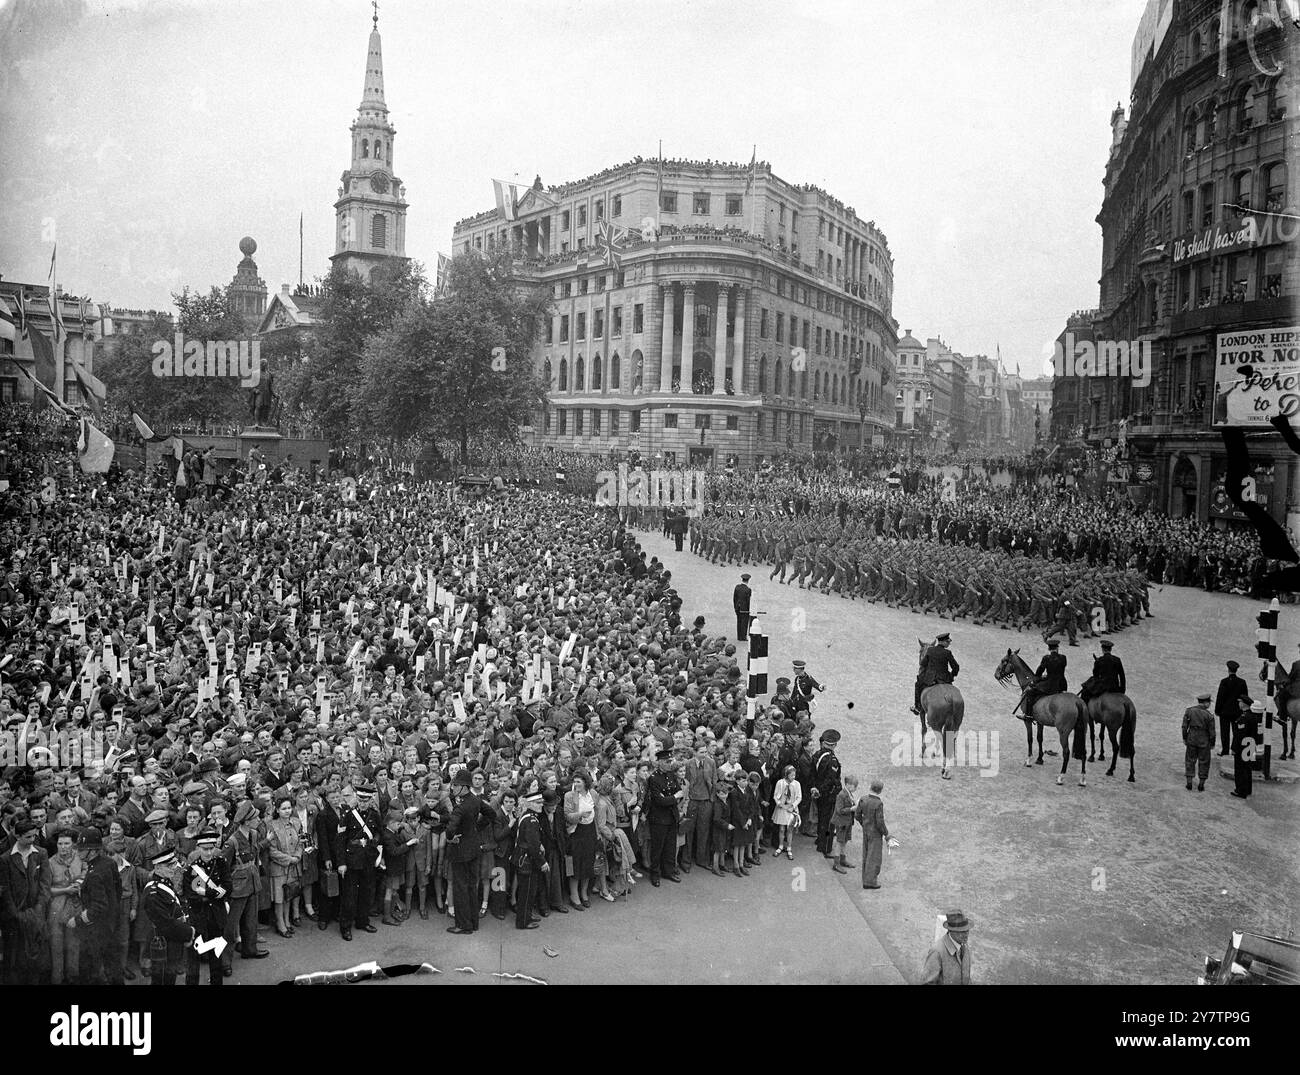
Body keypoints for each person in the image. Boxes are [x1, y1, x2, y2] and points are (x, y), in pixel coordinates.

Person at [444, 769, 495, 934]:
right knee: (472, 886)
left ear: (464, 787)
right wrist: (476, 828)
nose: (452, 788)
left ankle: (463, 925)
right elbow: (491, 815)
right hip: (474, 848)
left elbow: (450, 830)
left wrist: (452, 838)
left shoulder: (460, 807)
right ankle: (473, 922)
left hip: (460, 852)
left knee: (460, 887)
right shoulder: (475, 801)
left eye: (455, 785)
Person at [1, 817, 51, 984]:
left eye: (34, 836)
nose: (32, 840)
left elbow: (45, 885)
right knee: (15, 957)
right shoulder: (5, 859)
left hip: (36, 914)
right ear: (17, 836)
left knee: (36, 957)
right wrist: (16, 914)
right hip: (15, 917)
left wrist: (39, 909)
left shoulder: (41, 854)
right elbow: (5, 890)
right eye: (28, 837)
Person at [71, 826, 122, 986]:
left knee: (88, 969)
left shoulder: (94, 874)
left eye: (81, 850)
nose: (78, 853)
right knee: (113, 964)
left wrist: (78, 920)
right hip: (111, 923)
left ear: (92, 851)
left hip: (96, 928)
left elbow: (99, 906)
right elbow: (117, 890)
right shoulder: (108, 863)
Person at [140, 847, 195, 986]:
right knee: (162, 979)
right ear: (157, 867)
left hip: (172, 941)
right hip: (162, 944)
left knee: (170, 978)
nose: (174, 868)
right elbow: (165, 923)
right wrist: (188, 932)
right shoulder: (153, 892)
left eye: (174, 863)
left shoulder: (165, 883)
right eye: (169, 865)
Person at [182, 830, 229, 985]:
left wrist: (206, 892)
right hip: (198, 916)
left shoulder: (221, 863)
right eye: (205, 849)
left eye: (211, 848)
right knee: (194, 956)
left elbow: (228, 888)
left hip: (217, 915)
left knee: (217, 954)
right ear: (198, 848)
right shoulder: (192, 869)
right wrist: (215, 893)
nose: (208, 852)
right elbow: (191, 895)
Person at [338, 782, 382, 941]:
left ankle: (363, 921)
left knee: (366, 892)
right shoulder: (348, 816)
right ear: (357, 799)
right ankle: (345, 926)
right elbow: (340, 841)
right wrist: (341, 863)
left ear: (371, 800)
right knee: (349, 895)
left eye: (366, 800)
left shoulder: (375, 815)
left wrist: (375, 842)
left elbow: (379, 833)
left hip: (368, 859)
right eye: (361, 800)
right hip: (351, 860)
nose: (363, 803)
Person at [645, 754, 684, 886]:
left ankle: (668, 871)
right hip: (659, 818)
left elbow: (680, 792)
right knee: (657, 848)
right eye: (667, 761)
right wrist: (673, 797)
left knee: (670, 847)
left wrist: (669, 798)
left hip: (671, 816)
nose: (669, 764)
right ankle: (655, 874)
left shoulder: (671, 775)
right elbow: (659, 800)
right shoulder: (653, 778)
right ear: (660, 762)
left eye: (670, 761)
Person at [513, 786, 547, 928]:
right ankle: (523, 921)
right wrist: (542, 862)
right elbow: (532, 845)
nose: (541, 805)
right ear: (531, 804)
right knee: (526, 893)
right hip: (527, 860)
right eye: (538, 803)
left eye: (541, 803)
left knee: (528, 891)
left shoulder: (529, 817)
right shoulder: (531, 820)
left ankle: (526, 916)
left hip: (524, 858)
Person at [854, 779, 894, 890]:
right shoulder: (878, 803)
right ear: (880, 791)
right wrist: (886, 834)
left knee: (866, 854)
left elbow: (857, 815)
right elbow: (880, 822)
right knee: (874, 857)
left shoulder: (863, 799)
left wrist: (864, 824)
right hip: (875, 833)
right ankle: (870, 881)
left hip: (866, 830)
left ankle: (865, 878)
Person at [810, 728, 843, 857]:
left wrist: (815, 788)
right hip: (828, 794)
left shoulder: (817, 755)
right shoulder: (832, 760)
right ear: (834, 744)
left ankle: (819, 839)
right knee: (828, 821)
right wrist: (822, 790)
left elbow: (813, 774)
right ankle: (825, 847)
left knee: (821, 817)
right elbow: (831, 780)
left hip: (818, 791)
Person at [922, 910, 973, 984]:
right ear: (951, 931)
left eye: (967, 930)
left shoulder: (964, 945)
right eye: (961, 931)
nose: (966, 934)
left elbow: (966, 976)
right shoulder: (937, 952)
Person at [1019, 639, 1066, 718]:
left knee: (1030, 693)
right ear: (1057, 648)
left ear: (1049, 649)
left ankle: (1028, 715)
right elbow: (1060, 670)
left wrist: (1040, 677)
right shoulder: (1063, 658)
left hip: (1050, 684)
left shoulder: (1046, 658)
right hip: (1061, 684)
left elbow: (1039, 672)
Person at [913, 633, 958, 717]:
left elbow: (923, 664)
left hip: (930, 679)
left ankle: (917, 707)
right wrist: (951, 676)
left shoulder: (930, 650)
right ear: (943, 642)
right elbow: (956, 667)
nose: (949, 644)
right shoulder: (948, 653)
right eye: (948, 642)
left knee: (918, 685)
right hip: (944, 680)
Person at [1182, 691, 1215, 792]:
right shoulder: (1209, 716)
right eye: (1209, 702)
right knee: (1204, 762)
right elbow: (1212, 732)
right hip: (1204, 741)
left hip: (1191, 738)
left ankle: (1189, 783)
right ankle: (1201, 784)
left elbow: (1184, 726)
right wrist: (1212, 743)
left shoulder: (1189, 711)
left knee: (1190, 760)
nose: (1209, 704)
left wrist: (1185, 737)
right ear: (1205, 702)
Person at [1214, 660, 1249, 756]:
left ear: (1228, 670)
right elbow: (1245, 697)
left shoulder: (1224, 682)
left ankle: (1225, 751)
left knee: (1225, 733)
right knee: (1236, 732)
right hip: (1237, 712)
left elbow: (1220, 697)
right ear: (1236, 670)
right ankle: (1235, 750)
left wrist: (1217, 710)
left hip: (1224, 712)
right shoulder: (1242, 682)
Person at [770, 764, 801, 859]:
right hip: (782, 809)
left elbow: (799, 797)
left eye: (794, 775)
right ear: (786, 775)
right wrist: (779, 803)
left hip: (791, 809)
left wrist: (793, 806)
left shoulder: (797, 784)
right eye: (791, 775)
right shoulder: (780, 783)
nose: (793, 777)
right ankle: (780, 846)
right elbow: (775, 795)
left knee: (790, 829)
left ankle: (789, 847)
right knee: (781, 829)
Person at [1230, 699, 1260, 799]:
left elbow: (1239, 735)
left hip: (1243, 746)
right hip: (1250, 745)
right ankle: (1247, 789)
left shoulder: (1244, 718)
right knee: (1247, 768)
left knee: (1240, 769)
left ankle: (1241, 791)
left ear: (1243, 704)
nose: (1238, 703)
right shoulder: (1253, 716)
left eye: (1240, 702)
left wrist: (1234, 748)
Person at [830, 773, 858, 874]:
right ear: (848, 784)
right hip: (841, 823)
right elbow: (839, 810)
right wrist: (851, 809)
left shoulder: (849, 794)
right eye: (855, 786)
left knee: (845, 840)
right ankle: (836, 863)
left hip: (847, 822)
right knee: (839, 842)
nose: (855, 789)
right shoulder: (841, 795)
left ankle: (842, 859)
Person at [733, 573, 752, 642]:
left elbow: (734, 598)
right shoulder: (748, 590)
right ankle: (743, 636)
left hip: (738, 607)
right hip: (745, 608)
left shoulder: (737, 587)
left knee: (739, 621)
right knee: (744, 622)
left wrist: (735, 607)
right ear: (748, 581)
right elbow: (748, 601)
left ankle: (739, 636)